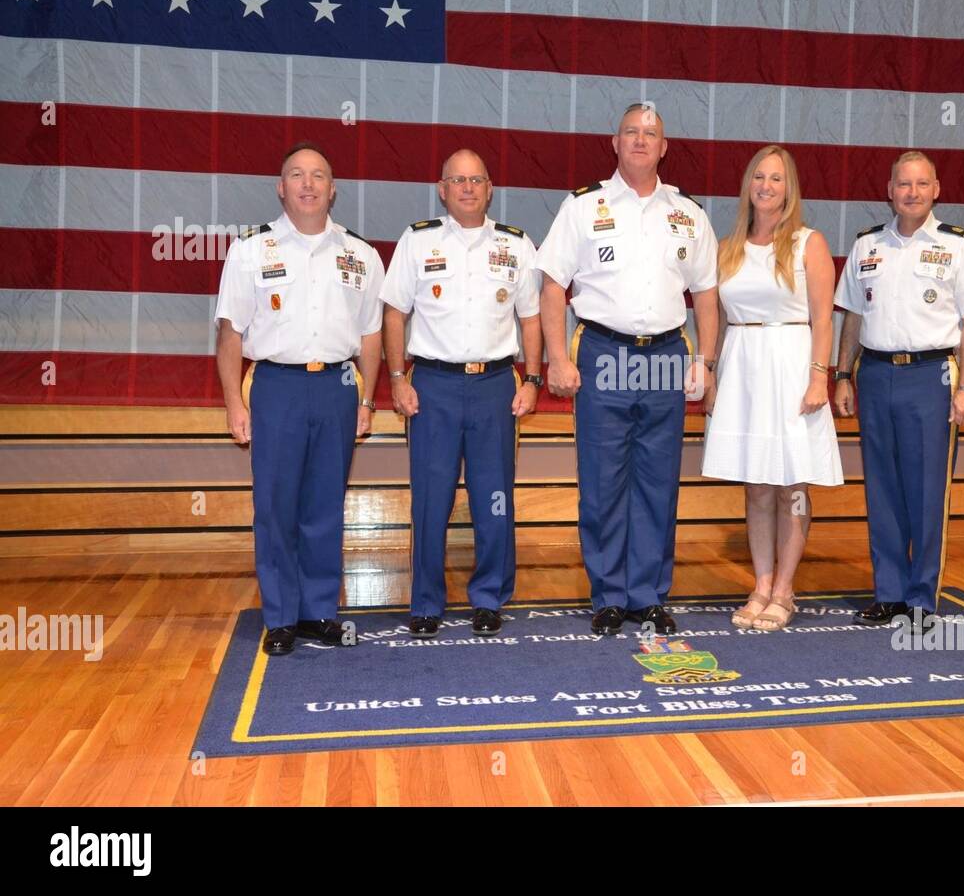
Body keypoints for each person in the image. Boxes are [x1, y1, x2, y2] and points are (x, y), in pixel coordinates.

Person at [537, 103, 720, 636]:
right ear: (613, 142)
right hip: (603, 353)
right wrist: (557, 356)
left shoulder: (689, 213)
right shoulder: (583, 206)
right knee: (603, 482)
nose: (641, 141)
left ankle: (648, 594)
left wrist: (703, 360)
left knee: (658, 482)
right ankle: (609, 594)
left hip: (665, 354)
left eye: (652, 134)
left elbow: (706, 293)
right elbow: (553, 285)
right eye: (631, 132)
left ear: (665, 147)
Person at [215, 142, 384, 656]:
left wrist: (367, 401)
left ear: (333, 190)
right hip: (277, 388)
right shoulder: (250, 251)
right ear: (281, 187)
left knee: (325, 506)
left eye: (318, 176)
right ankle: (282, 616)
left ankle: (319, 612)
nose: (308, 184)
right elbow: (229, 335)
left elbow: (372, 335)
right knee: (275, 506)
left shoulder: (361, 254)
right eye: (296, 175)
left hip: (337, 387)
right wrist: (233, 405)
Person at [831, 150, 964, 626]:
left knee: (928, 490)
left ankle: (921, 598)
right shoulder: (868, 246)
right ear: (890, 191)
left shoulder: (958, 245)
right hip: (875, 373)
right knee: (882, 488)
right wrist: (842, 374)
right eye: (903, 184)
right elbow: (852, 315)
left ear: (936, 190)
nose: (912, 193)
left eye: (921, 184)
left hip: (932, 378)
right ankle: (888, 591)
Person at [380, 150, 542, 638]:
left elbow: (531, 317)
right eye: (458, 180)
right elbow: (393, 312)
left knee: (495, 497)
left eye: (476, 180)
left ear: (489, 188)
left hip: (495, 385)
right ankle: (427, 602)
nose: (468, 188)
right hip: (433, 386)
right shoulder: (417, 240)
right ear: (442, 188)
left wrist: (532, 380)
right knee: (431, 499)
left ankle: (489, 597)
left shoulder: (516, 245)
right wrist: (396, 377)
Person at [701, 145, 843, 630]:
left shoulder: (809, 242)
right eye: (759, 176)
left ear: (790, 188)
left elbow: (824, 318)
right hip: (744, 367)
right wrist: (713, 375)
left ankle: (785, 589)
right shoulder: (728, 248)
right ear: (748, 184)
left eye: (776, 178)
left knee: (793, 486)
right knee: (758, 485)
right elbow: (717, 321)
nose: (766, 185)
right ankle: (761, 584)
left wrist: (819, 376)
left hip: (793, 366)